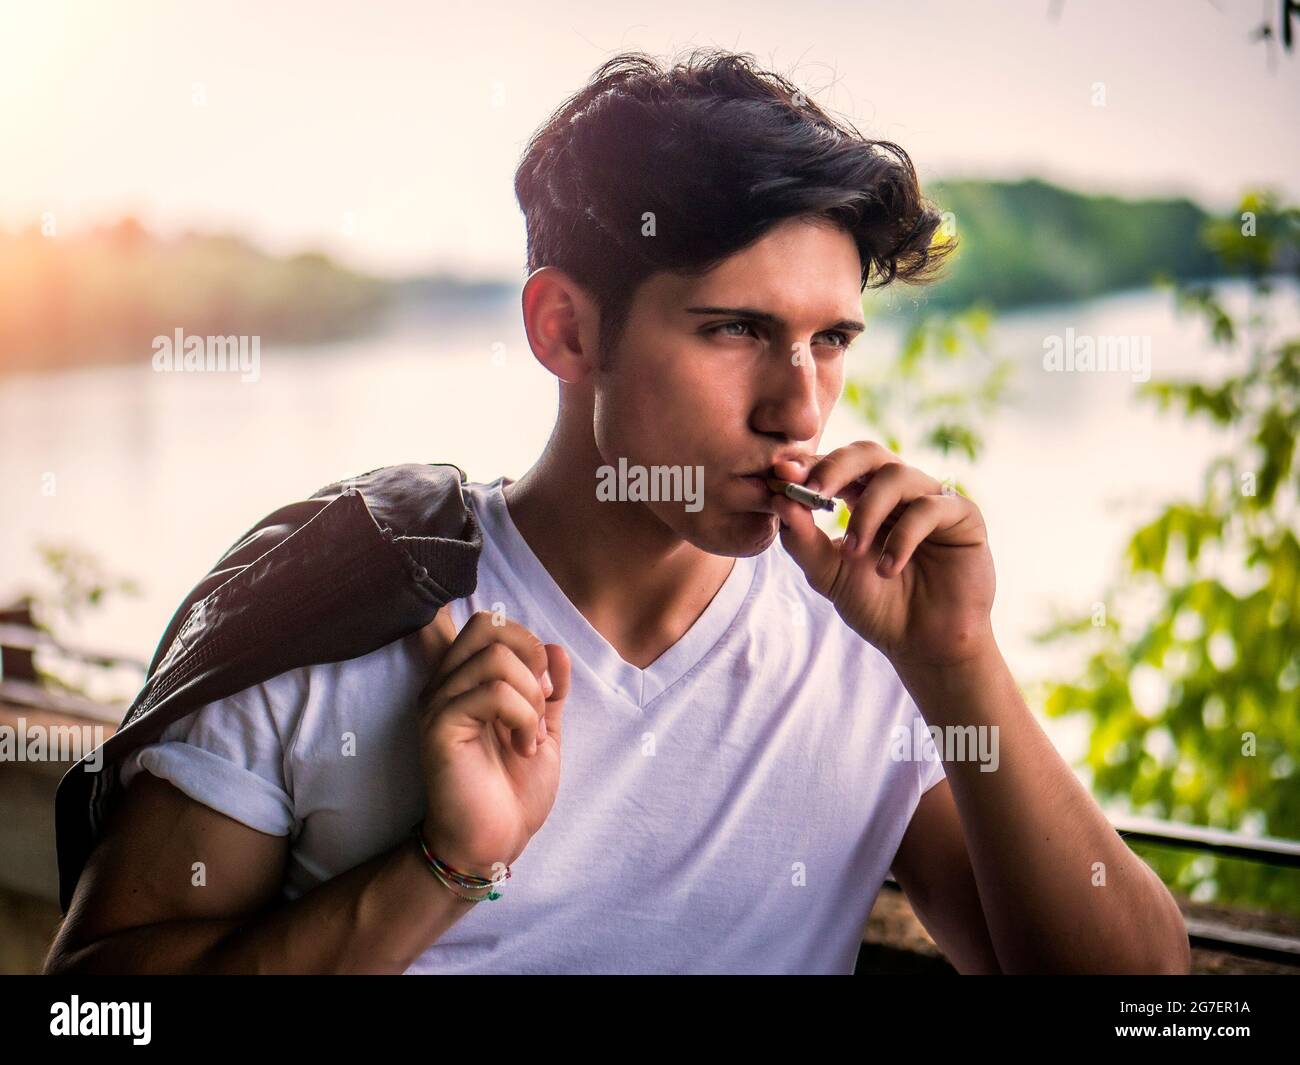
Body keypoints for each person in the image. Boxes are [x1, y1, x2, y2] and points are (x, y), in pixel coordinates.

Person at [44, 48, 1189, 975]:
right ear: (565, 331)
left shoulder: (876, 646)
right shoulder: (343, 601)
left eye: (830, 339)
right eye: (734, 330)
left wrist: (959, 663)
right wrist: (439, 870)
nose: (799, 405)